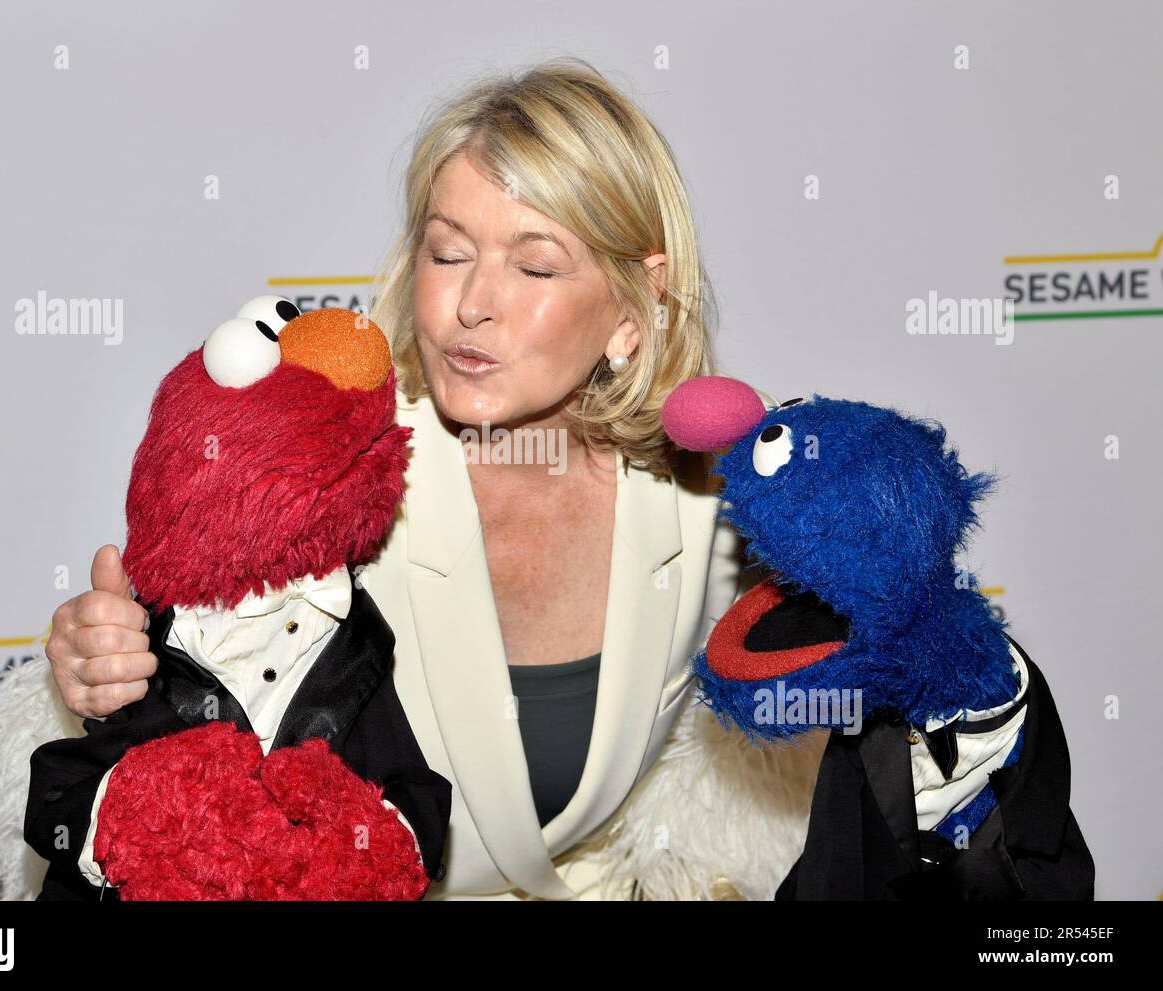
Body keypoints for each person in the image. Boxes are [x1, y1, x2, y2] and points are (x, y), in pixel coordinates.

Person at [41, 57, 777, 899]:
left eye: (534, 267)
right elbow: (182, 677)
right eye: (448, 251)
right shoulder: (325, 470)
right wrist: (103, 663)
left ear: (632, 307)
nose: (471, 303)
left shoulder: (707, 496)